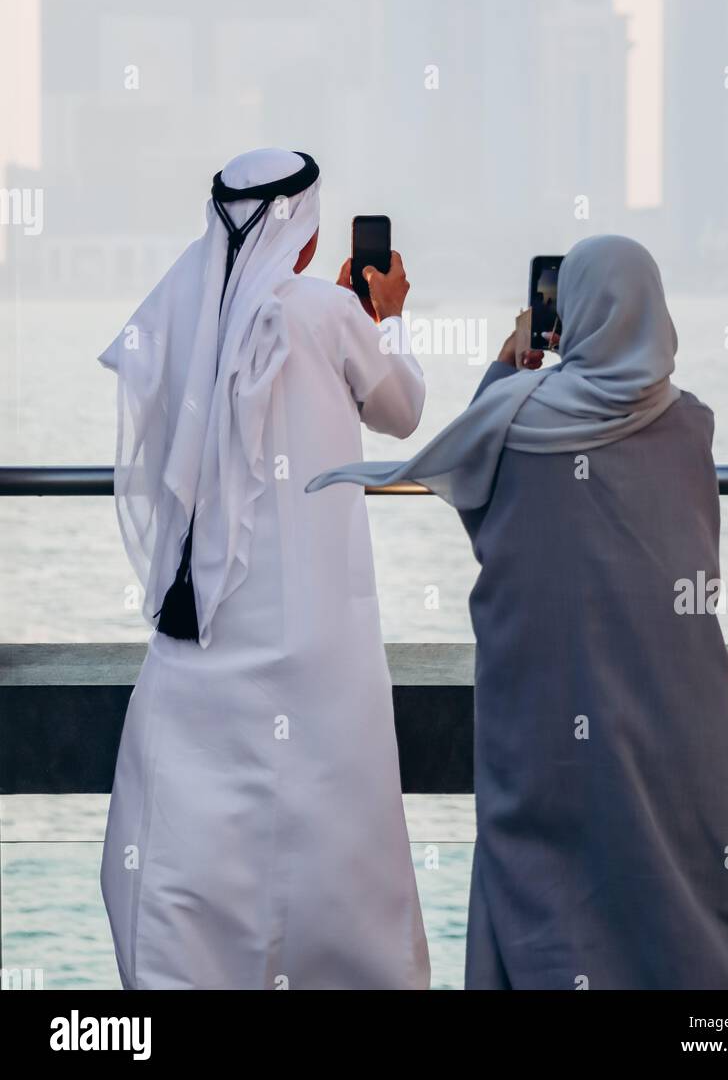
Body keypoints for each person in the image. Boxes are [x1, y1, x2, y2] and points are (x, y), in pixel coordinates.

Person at [308, 234, 728, 991]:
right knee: (682, 915)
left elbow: (484, 506)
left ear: (565, 314)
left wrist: (504, 367)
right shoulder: (692, 425)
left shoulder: (515, 417)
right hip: (688, 725)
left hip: (548, 720)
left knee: (548, 899)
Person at [98, 146, 430, 990]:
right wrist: (385, 315)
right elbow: (401, 409)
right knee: (329, 836)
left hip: (201, 630)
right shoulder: (324, 311)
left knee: (197, 839)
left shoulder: (181, 304)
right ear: (310, 236)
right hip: (321, 639)